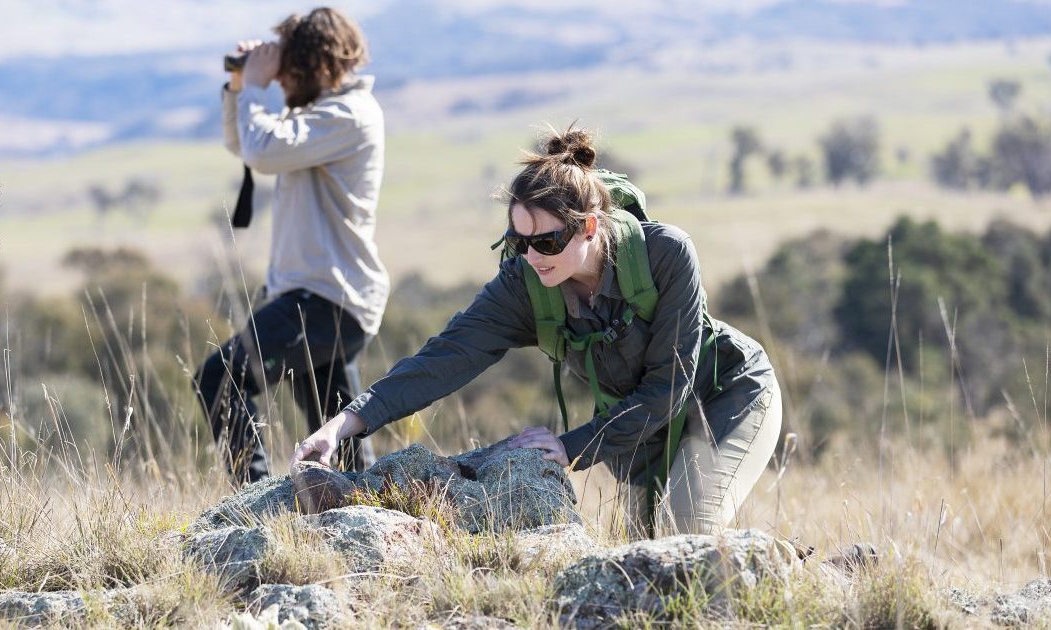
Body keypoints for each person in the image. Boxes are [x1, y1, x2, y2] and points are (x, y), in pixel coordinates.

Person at [291, 127, 782, 535]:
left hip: (726, 396)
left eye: (546, 241)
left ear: (589, 228)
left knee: (685, 531)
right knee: (640, 561)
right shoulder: (525, 281)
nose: (531, 256)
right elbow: (446, 356)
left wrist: (571, 447)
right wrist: (346, 423)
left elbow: (669, 387)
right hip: (641, 431)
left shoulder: (666, 254)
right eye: (517, 240)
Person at [195, 7, 386, 485]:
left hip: (324, 300)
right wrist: (241, 89)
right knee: (335, 434)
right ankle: (360, 512)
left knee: (220, 379)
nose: (281, 82)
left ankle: (256, 502)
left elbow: (263, 150)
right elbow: (247, 146)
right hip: (317, 298)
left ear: (317, 65)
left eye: (289, 70)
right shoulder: (320, 116)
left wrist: (257, 87)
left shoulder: (349, 115)